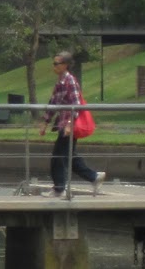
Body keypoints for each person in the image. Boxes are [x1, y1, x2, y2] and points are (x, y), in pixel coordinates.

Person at [41, 51, 106, 198]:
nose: (54, 66)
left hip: (68, 126)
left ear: (65, 65)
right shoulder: (60, 81)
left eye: (57, 63)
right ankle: (94, 177)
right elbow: (53, 103)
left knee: (58, 157)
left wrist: (70, 124)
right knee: (69, 156)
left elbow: (76, 105)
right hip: (63, 124)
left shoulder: (70, 81)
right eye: (54, 63)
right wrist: (45, 121)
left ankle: (59, 189)